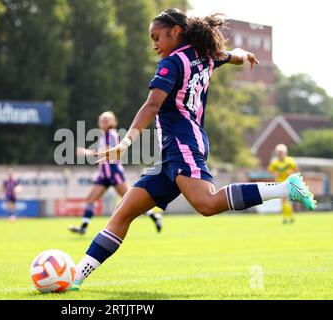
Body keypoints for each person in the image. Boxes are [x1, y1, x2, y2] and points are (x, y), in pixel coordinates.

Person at [70, 8, 316, 290]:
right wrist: (244, 55)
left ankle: (286, 188)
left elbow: (152, 105)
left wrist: (126, 142)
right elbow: (232, 55)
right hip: (170, 154)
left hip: (181, 143)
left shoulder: (171, 63)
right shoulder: (207, 53)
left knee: (207, 204)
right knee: (123, 214)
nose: (154, 45)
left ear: (175, 31)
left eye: (157, 37)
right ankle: (75, 277)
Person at [68, 111, 163, 235]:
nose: (104, 122)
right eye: (102, 120)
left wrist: (86, 152)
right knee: (91, 199)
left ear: (113, 122)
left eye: (107, 119)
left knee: (130, 200)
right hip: (103, 174)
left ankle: (153, 216)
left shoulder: (111, 134)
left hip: (114, 173)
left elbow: (107, 151)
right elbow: (102, 151)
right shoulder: (104, 136)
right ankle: (83, 227)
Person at [268, 144, 298, 224]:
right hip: (280, 183)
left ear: (285, 152)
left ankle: (287, 217)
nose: (280, 154)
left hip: (289, 182)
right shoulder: (275, 163)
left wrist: (291, 173)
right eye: (279, 153)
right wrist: (275, 174)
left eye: (282, 152)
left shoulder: (290, 161)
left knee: (286, 200)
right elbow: (271, 170)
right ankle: (288, 217)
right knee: (284, 201)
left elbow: (295, 170)